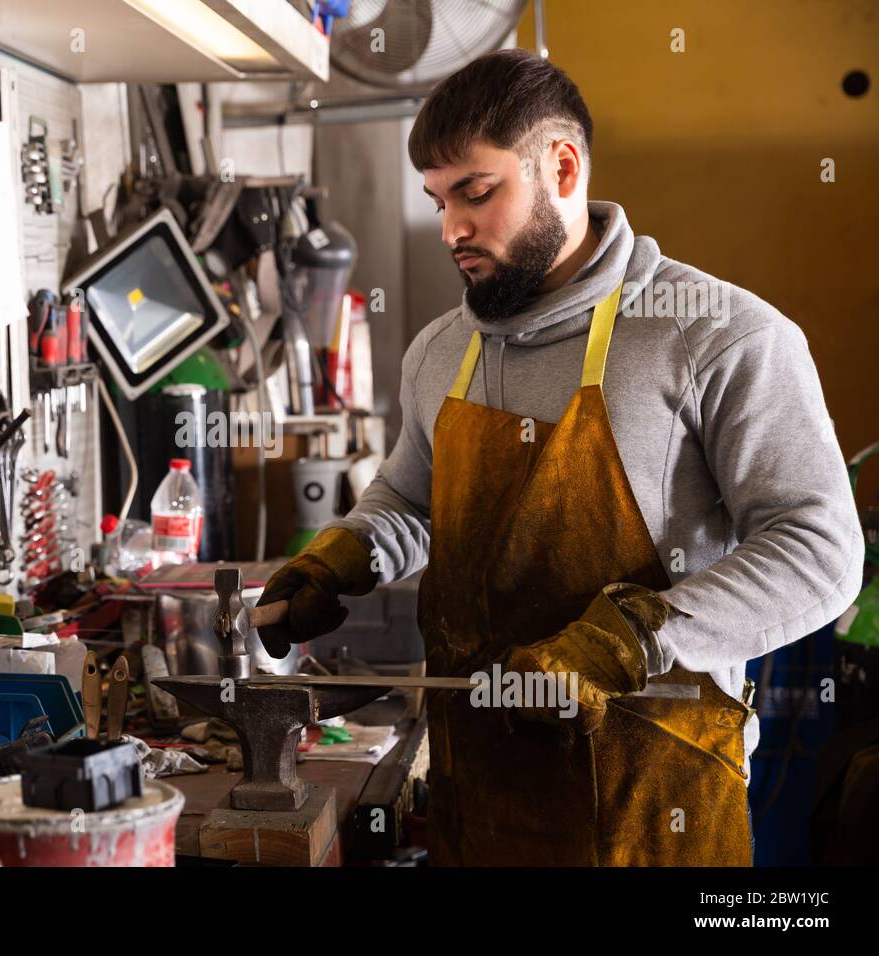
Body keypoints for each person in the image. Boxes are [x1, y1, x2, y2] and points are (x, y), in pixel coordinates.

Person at [258, 48, 863, 866]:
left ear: (564, 167)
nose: (451, 231)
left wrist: (633, 636)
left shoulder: (721, 336)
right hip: (481, 798)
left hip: (652, 811)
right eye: (438, 201)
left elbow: (820, 553)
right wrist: (339, 558)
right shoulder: (443, 349)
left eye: (476, 193)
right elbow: (407, 497)